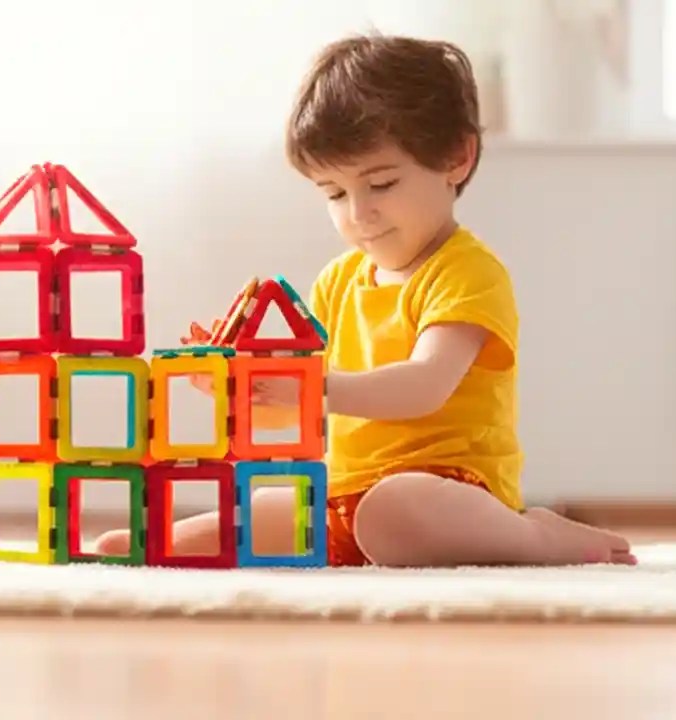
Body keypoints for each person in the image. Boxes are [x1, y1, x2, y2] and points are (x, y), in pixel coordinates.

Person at [94, 33, 635, 567]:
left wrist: (305, 384)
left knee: (396, 509)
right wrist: (248, 389)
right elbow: (313, 410)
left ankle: (536, 535)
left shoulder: (467, 271)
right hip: (343, 495)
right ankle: (156, 540)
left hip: (448, 489)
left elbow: (423, 387)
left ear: (457, 157)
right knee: (263, 506)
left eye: (380, 184)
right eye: (334, 193)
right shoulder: (338, 280)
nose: (357, 213)